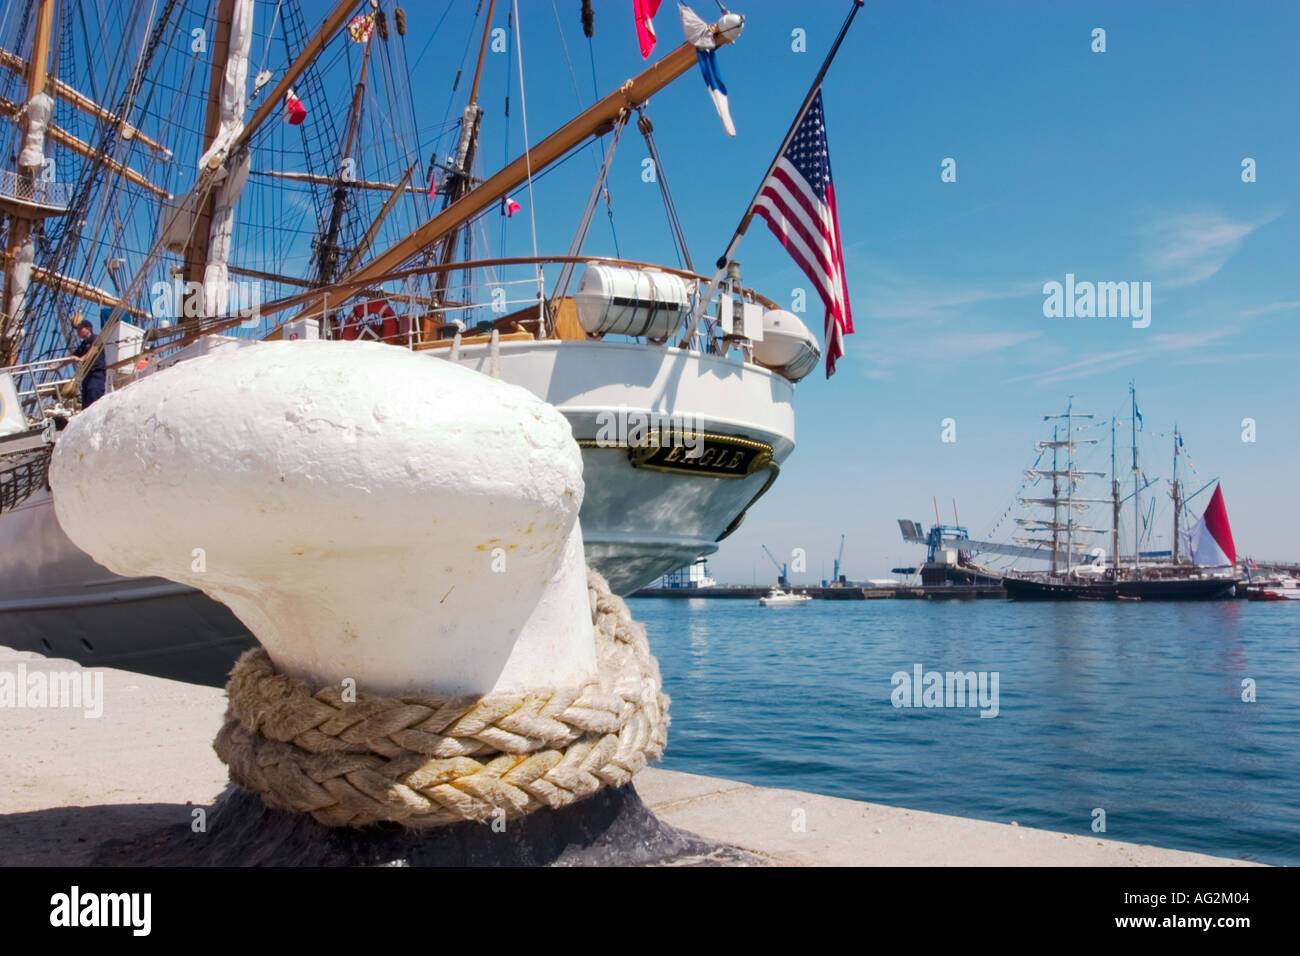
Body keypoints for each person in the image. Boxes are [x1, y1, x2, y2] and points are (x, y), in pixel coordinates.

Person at [70, 318, 106, 408]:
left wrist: (81, 359)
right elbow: (71, 357)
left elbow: (93, 351)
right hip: (86, 377)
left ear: (88, 329)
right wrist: (57, 367)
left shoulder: (96, 339)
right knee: (86, 404)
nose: (77, 331)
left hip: (96, 375)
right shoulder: (83, 344)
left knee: (94, 400)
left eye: (80, 329)